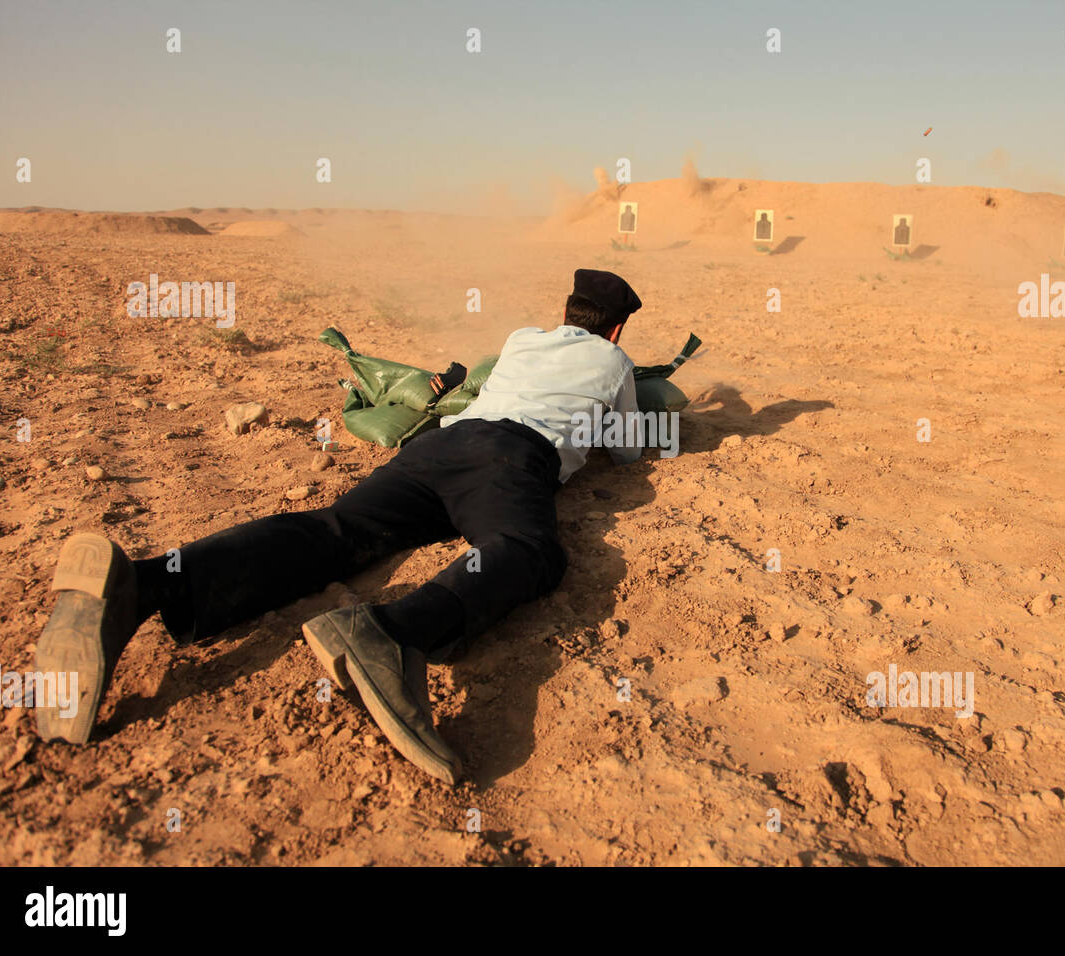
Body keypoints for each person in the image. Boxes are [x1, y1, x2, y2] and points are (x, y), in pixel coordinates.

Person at [34, 269, 646, 785]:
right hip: (514, 461)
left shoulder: (521, 339)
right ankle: (394, 632)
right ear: (615, 329)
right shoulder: (615, 360)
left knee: (338, 530)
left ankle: (143, 585)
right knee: (526, 549)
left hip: (439, 448)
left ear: (565, 312)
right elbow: (626, 450)